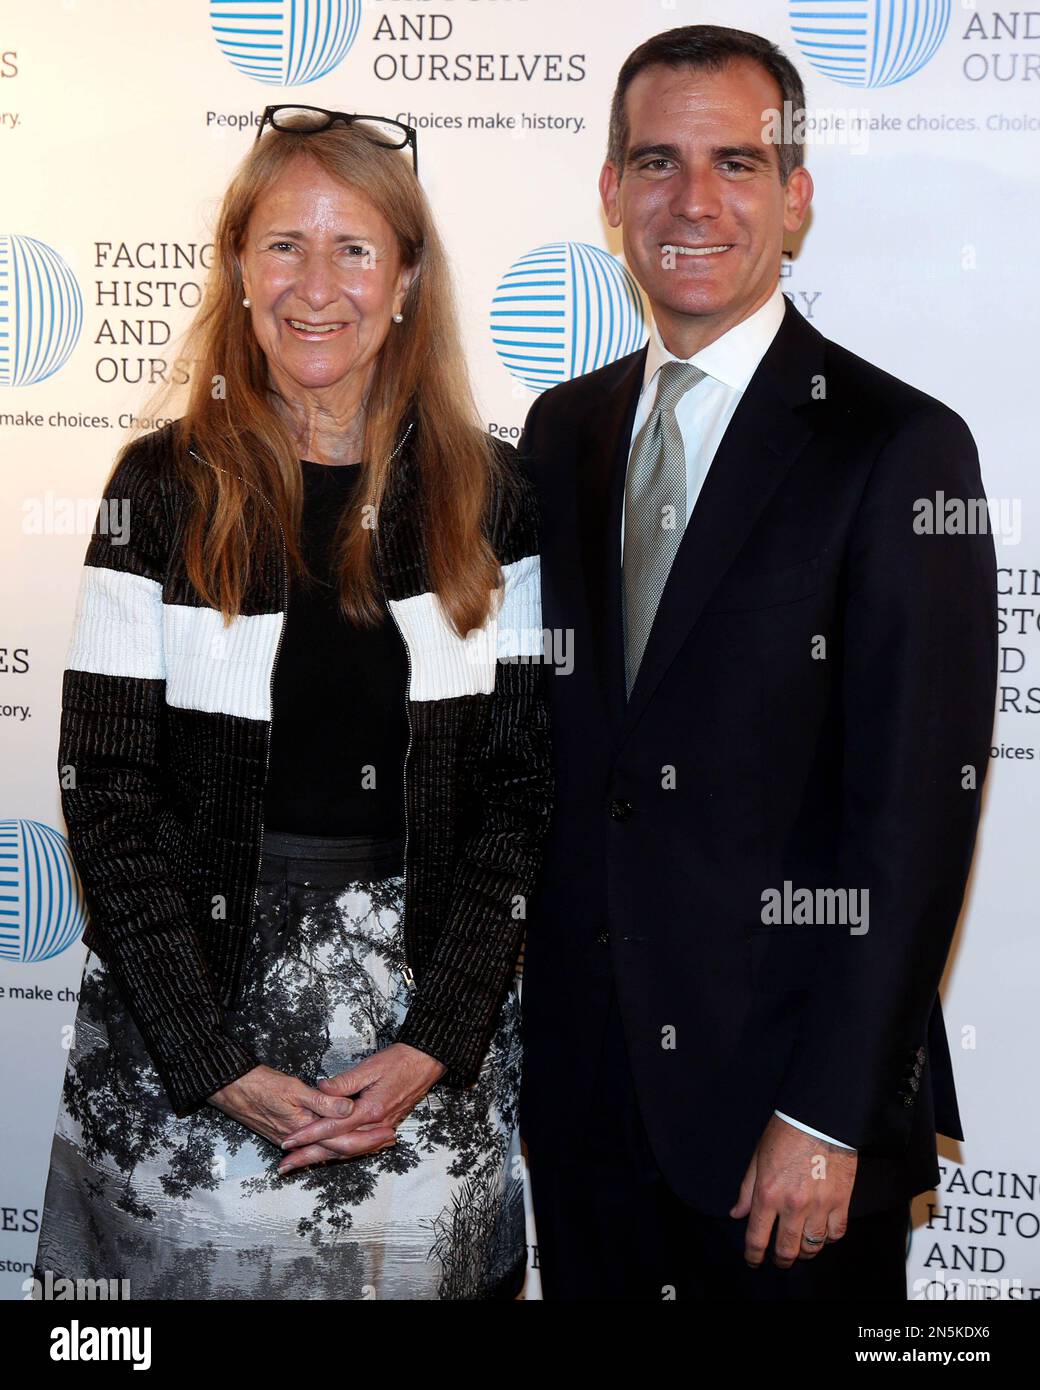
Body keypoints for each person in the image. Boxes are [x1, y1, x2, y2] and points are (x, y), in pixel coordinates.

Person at [33, 105, 552, 1301]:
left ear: (408, 278)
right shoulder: (159, 487)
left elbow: (522, 790)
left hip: (425, 1051)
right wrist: (211, 1056)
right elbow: (105, 792)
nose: (317, 285)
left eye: (355, 248)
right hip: (186, 1037)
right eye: (282, 245)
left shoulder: (491, 497)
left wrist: (438, 1034)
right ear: (236, 267)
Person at [518, 26, 997, 1300]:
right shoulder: (557, 434)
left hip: (784, 1136)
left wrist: (831, 1114)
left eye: (736, 161)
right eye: (656, 162)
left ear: (793, 199)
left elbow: (914, 822)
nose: (692, 202)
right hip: (583, 1112)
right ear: (610, 193)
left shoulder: (898, 448)